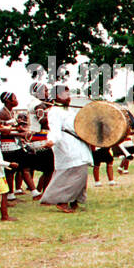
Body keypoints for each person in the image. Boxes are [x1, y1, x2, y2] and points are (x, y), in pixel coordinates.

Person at [40, 85, 93, 213]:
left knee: (81, 173)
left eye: (68, 94)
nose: (68, 97)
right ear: (57, 96)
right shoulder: (54, 112)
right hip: (66, 145)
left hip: (77, 144)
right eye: (65, 94)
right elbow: (55, 130)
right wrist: (52, 141)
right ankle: (61, 202)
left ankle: (74, 201)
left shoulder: (69, 110)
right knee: (73, 174)